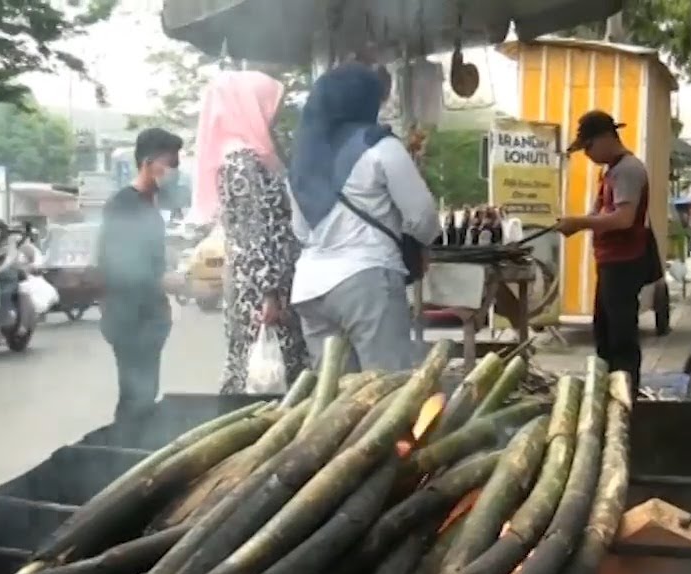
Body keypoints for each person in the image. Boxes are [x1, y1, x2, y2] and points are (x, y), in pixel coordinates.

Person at [287, 62, 440, 373]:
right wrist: (419, 244)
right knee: (384, 391)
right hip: (367, 280)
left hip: (309, 287)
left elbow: (301, 231)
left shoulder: (303, 155)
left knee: (333, 401)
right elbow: (422, 215)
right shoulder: (378, 144)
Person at [191, 70, 309, 395]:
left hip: (255, 282)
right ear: (249, 107)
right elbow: (256, 232)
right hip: (263, 287)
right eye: (265, 104)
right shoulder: (244, 162)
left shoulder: (244, 157)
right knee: (270, 374)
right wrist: (270, 294)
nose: (271, 113)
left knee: (259, 368)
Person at [554, 110, 657, 394]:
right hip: (610, 262)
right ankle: (607, 390)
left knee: (621, 336)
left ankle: (625, 395)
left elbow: (623, 219)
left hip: (624, 263)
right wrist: (579, 219)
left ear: (605, 138)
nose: (587, 155)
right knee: (604, 331)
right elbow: (602, 212)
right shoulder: (611, 171)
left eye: (588, 147)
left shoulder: (628, 170)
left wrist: (580, 223)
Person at [96, 127, 184, 423]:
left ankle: (135, 449)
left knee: (145, 395)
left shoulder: (151, 205)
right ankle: (123, 454)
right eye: (170, 162)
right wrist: (161, 280)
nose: (175, 169)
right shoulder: (122, 205)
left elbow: (148, 256)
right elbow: (116, 267)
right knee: (135, 397)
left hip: (150, 320)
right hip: (128, 319)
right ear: (149, 163)